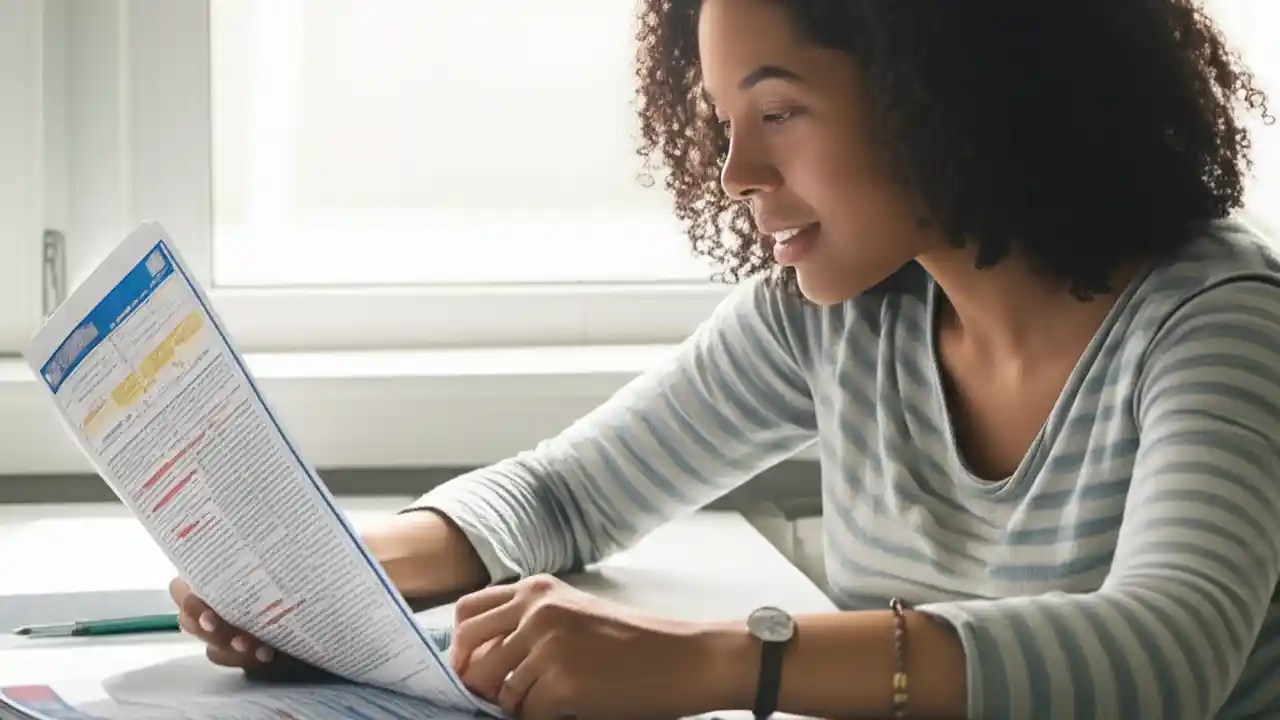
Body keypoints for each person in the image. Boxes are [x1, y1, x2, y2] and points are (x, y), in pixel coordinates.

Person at [169, 0, 1280, 717]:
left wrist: (712, 658)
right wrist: (327, 577)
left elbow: (1161, 653)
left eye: (779, 111)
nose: (734, 168)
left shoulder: (1216, 322)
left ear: (957, 96)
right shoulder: (834, 318)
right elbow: (564, 491)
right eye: (717, 118)